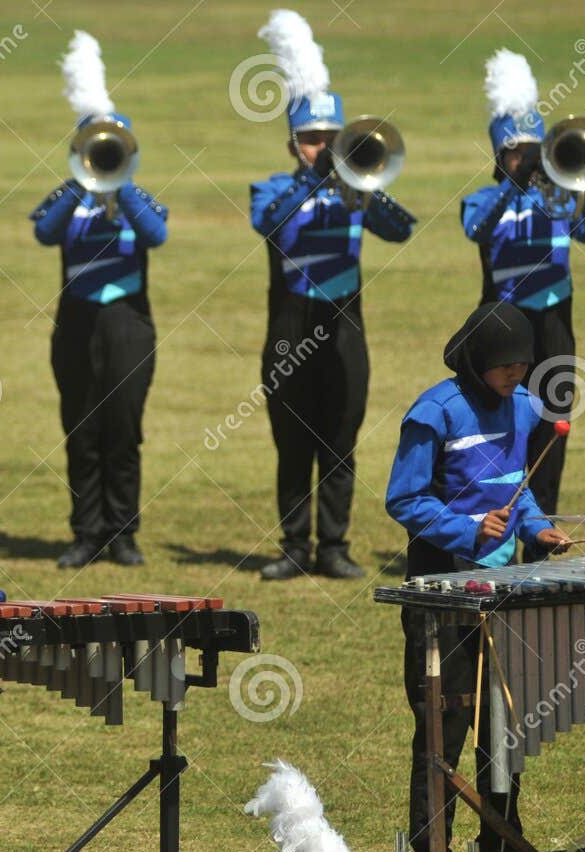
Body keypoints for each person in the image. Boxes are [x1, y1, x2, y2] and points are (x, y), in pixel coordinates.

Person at [385, 303, 570, 852]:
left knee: (506, 722)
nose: (516, 375)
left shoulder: (522, 408)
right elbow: (405, 499)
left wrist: (537, 526)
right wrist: (465, 528)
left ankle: (500, 843)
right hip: (442, 591)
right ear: (477, 360)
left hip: (501, 592)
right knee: (446, 723)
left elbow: (517, 487)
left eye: (524, 364)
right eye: (505, 366)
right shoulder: (435, 412)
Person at [250, 10, 415, 580]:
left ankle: (335, 546)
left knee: (340, 437)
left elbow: (401, 229)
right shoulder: (274, 188)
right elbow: (265, 221)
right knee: (292, 439)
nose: (320, 149)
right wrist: (309, 183)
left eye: (329, 139)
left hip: (345, 326)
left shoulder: (358, 188)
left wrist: (361, 189)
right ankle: (294, 545)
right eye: (310, 140)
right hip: (289, 326)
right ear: (292, 143)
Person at [461, 49, 585, 519]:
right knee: (500, 429)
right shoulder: (485, 198)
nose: (527, 159)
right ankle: (496, 530)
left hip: (554, 324)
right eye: (516, 151)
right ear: (499, 154)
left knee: (552, 427)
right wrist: (514, 183)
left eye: (534, 149)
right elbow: (477, 230)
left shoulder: (563, 197)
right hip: (502, 327)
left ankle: (542, 529)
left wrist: (578, 186)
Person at [34, 32, 165, 569]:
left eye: (111, 150)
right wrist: (77, 181)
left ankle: (123, 532)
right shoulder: (70, 195)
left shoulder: (140, 196)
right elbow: (45, 233)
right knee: (81, 427)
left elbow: (155, 234)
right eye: (97, 149)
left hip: (128, 321)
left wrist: (124, 182)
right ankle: (86, 531)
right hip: (77, 320)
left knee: (123, 427)